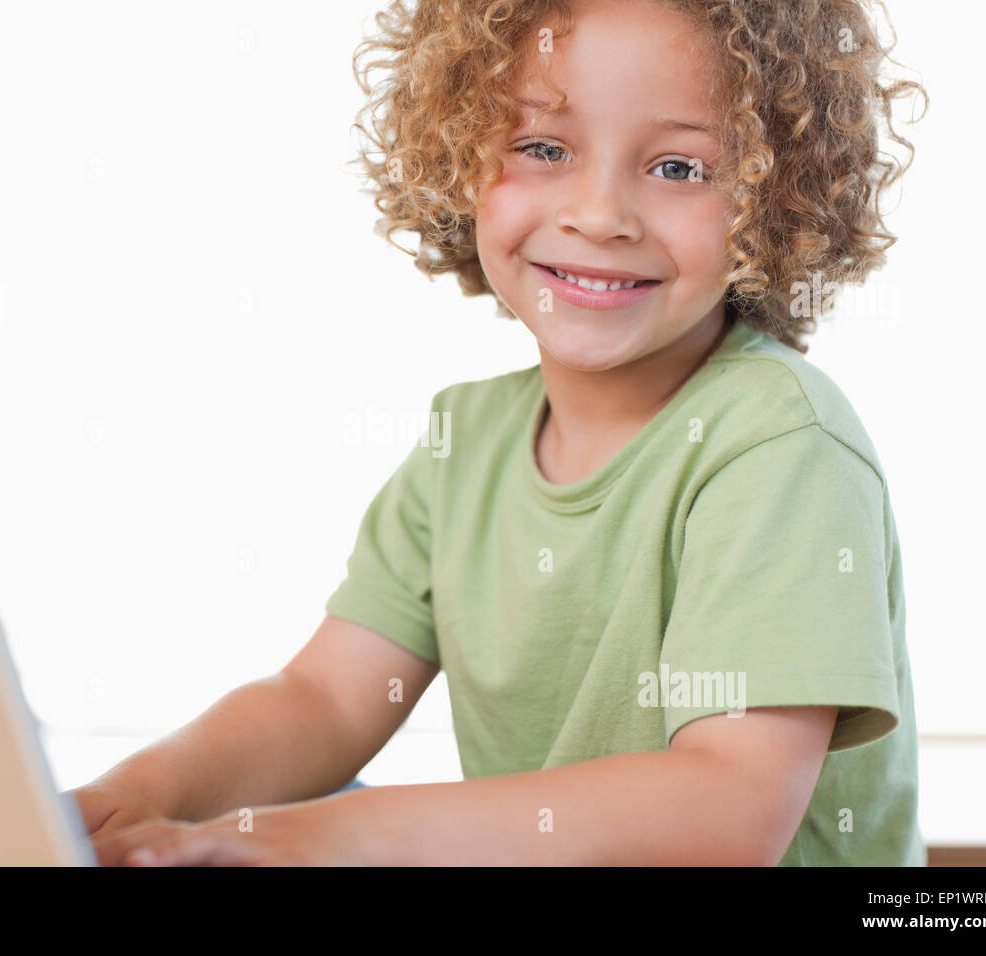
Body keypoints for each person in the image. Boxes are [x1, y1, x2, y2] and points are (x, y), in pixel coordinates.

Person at [75, 0, 929, 866]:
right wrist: (129, 798)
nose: (600, 216)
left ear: (776, 197)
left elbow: (728, 809)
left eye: (678, 166)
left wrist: (340, 835)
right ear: (455, 156)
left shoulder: (780, 447)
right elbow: (325, 700)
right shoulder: (464, 443)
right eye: (544, 148)